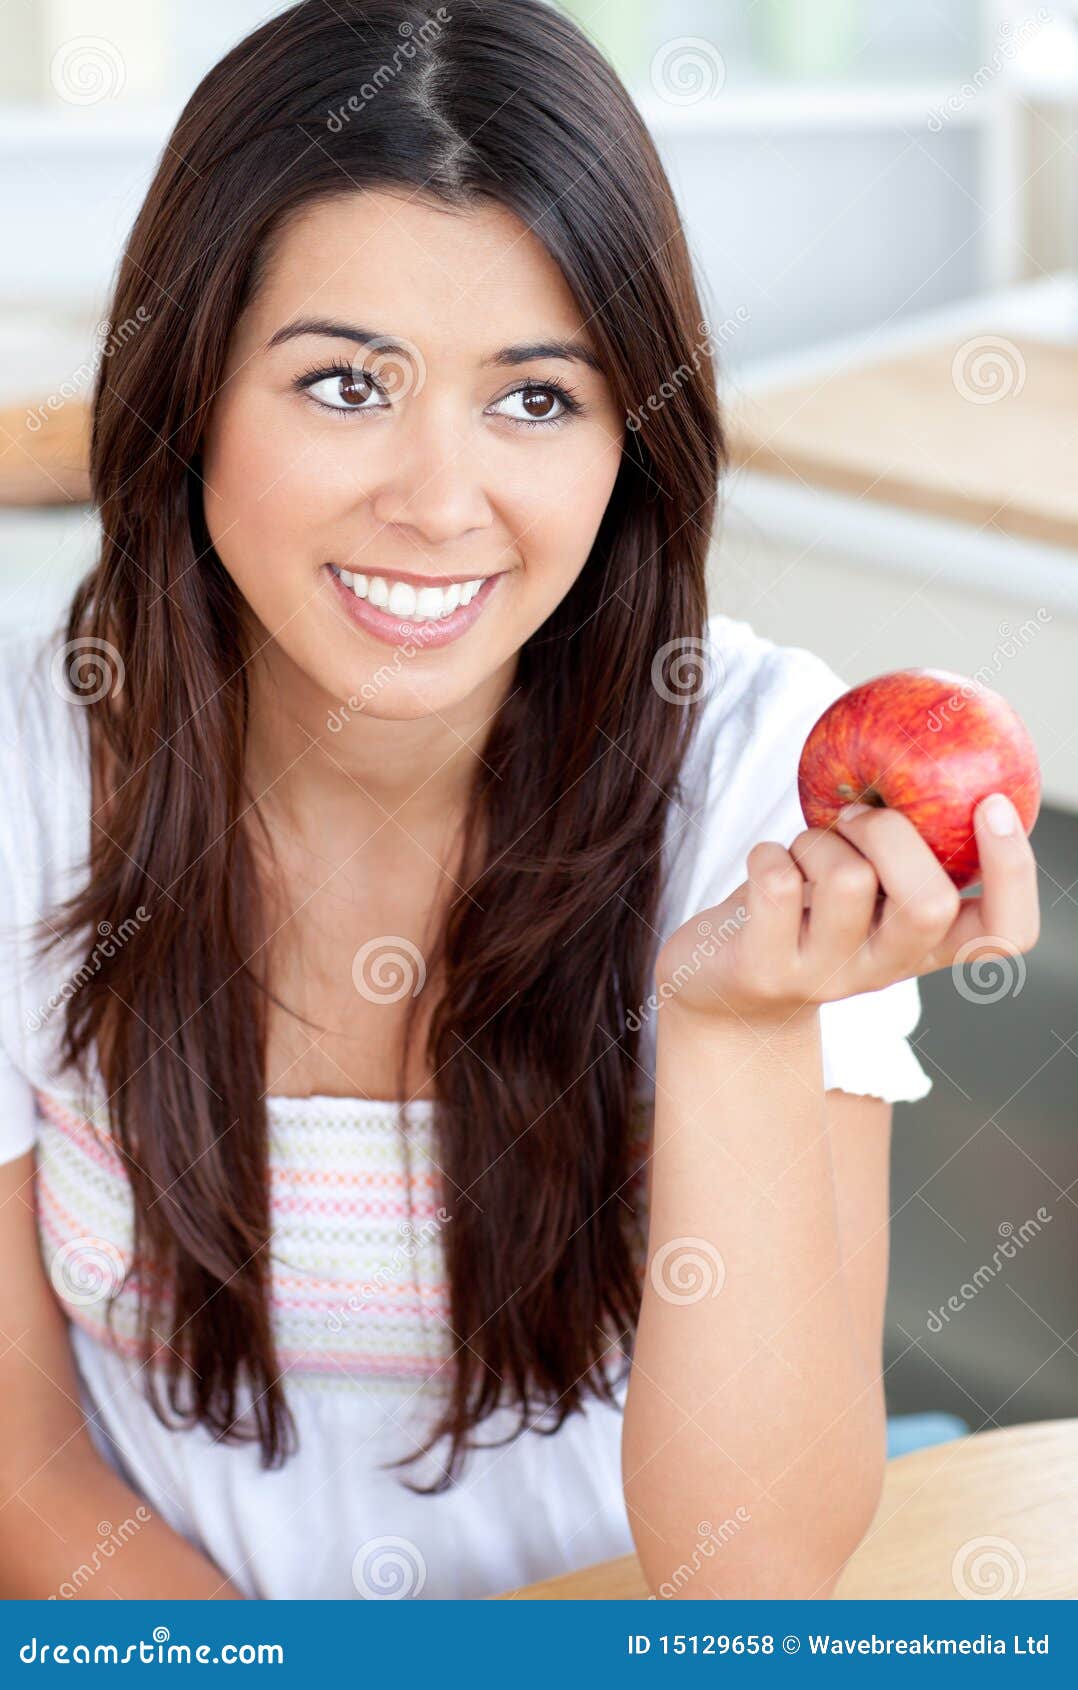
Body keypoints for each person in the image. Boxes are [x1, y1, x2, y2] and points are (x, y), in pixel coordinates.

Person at [0, 0, 1039, 1600]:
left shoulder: (753, 776)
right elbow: (30, 1465)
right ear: (188, 391)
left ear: (632, 435)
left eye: (535, 398)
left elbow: (746, 1573)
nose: (435, 501)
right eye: (346, 384)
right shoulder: (27, 776)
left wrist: (734, 1026)